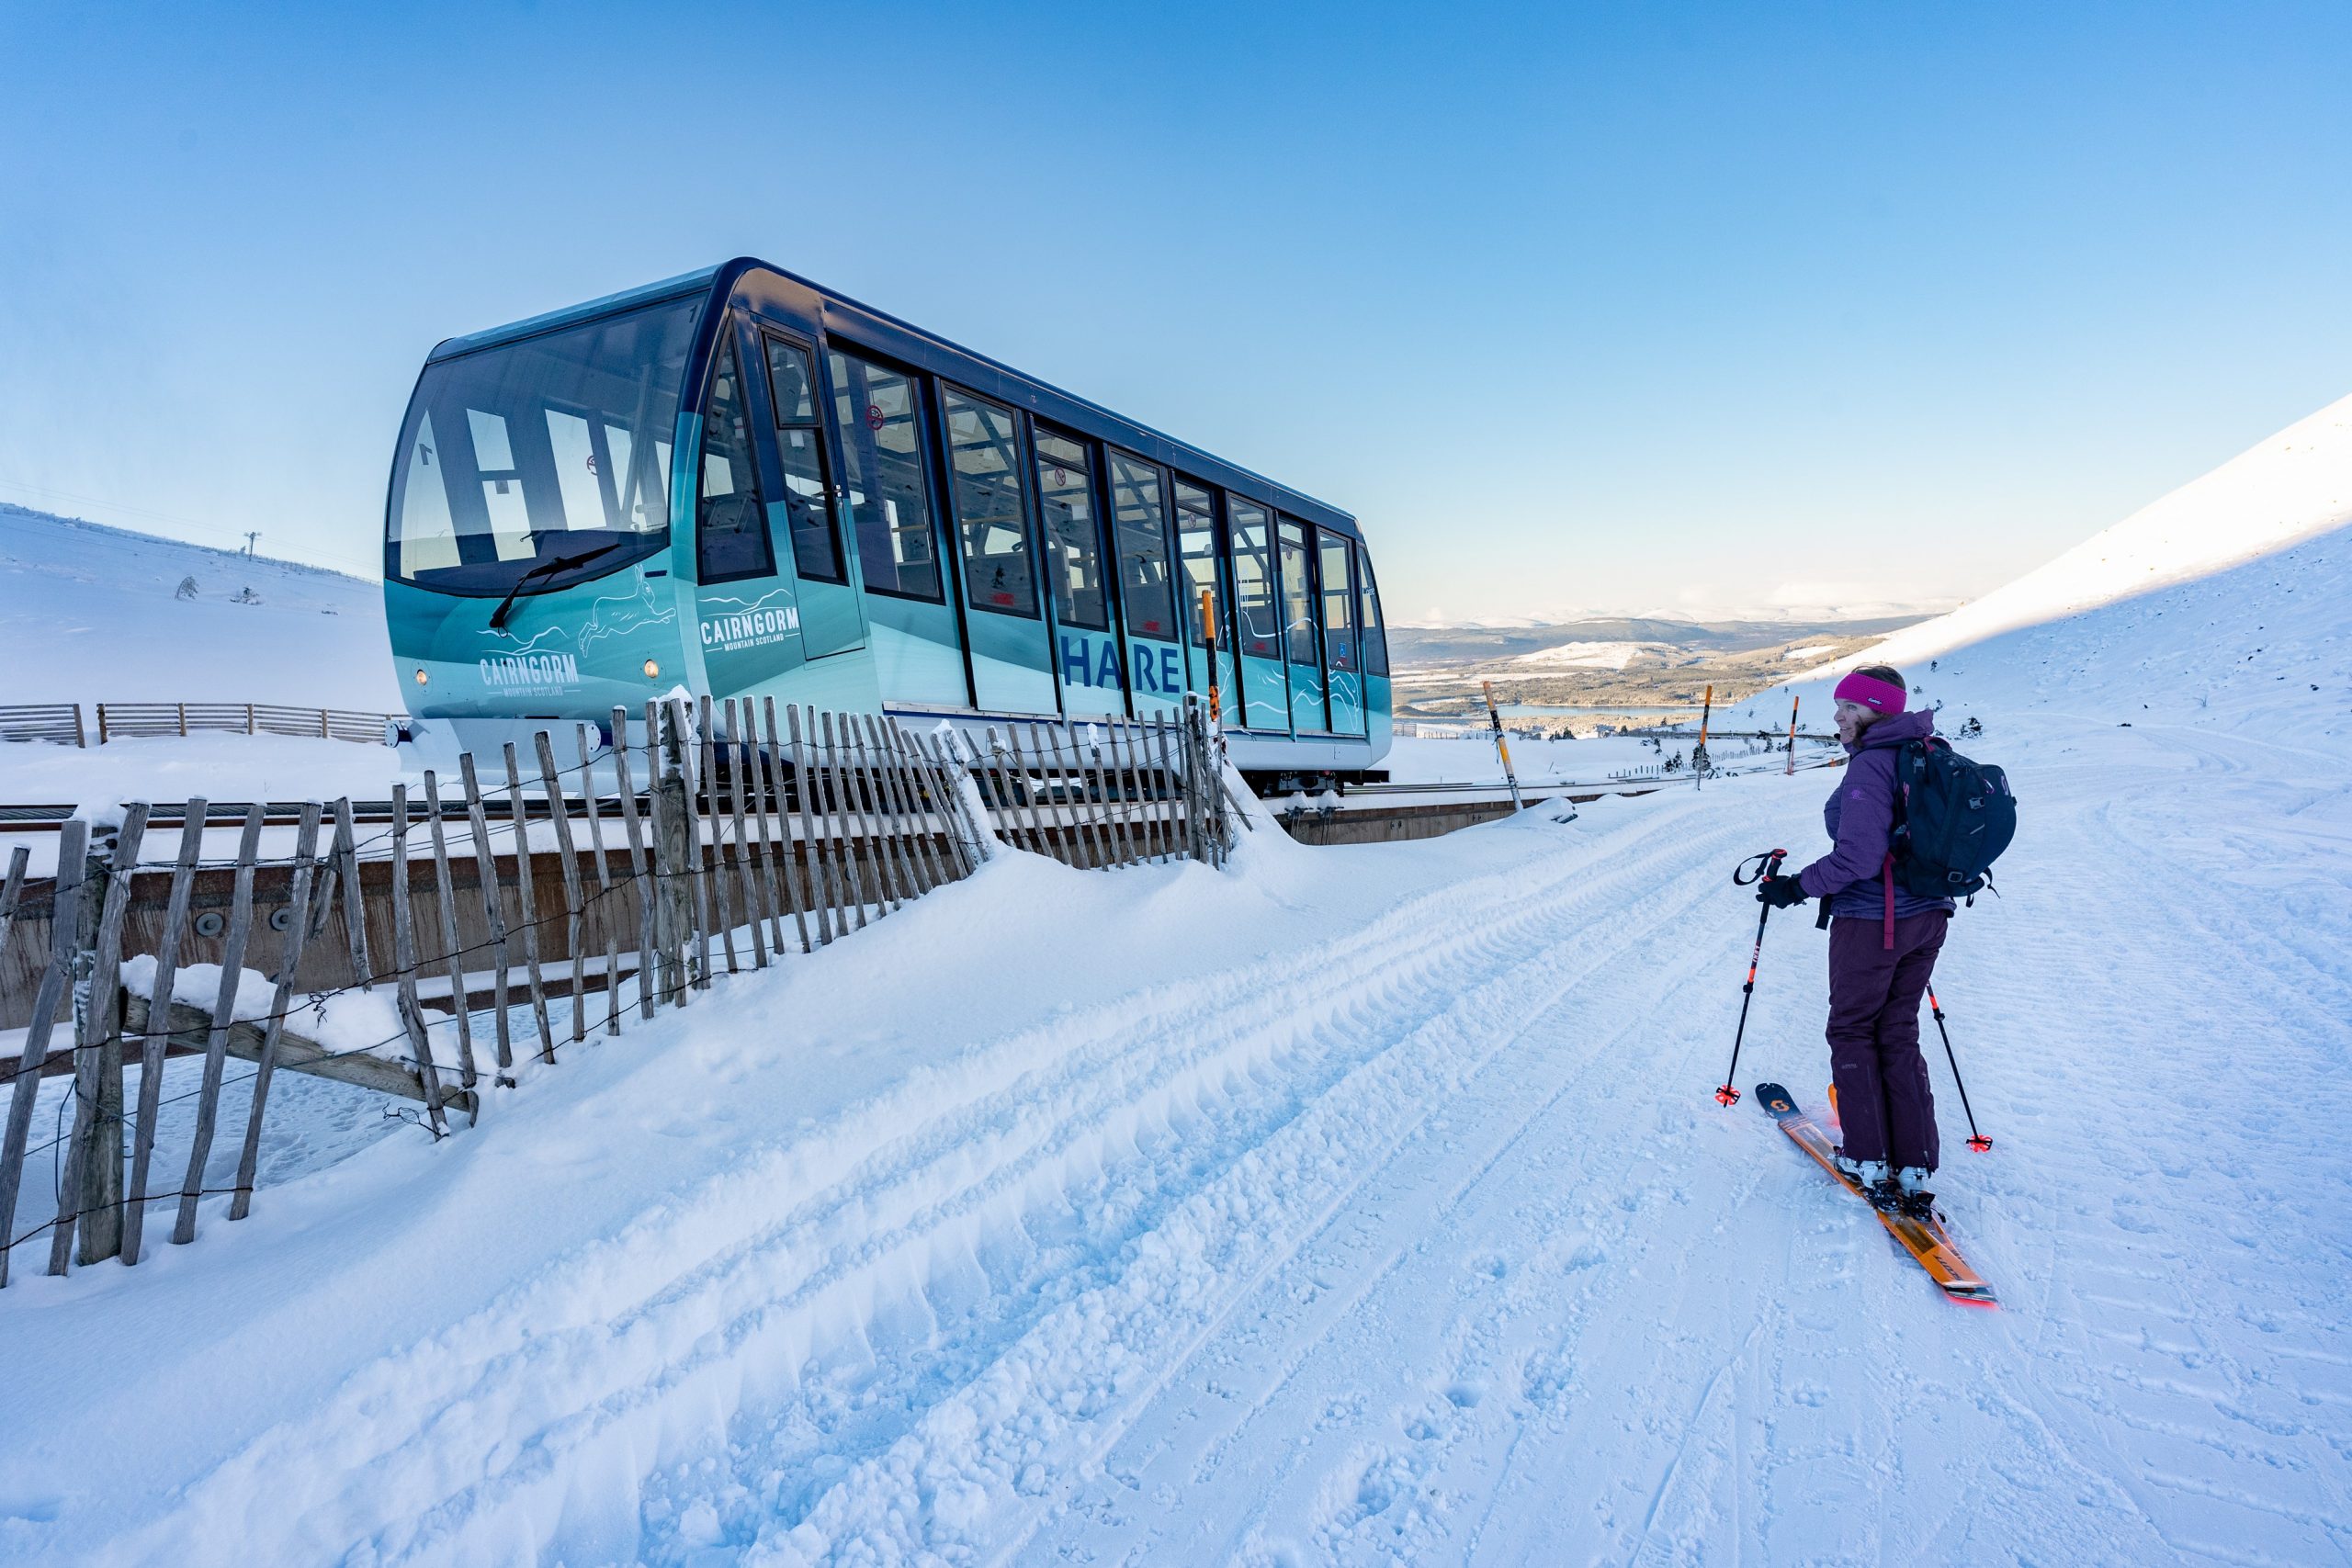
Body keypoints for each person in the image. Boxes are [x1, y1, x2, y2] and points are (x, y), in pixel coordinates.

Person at [1757, 665, 1953, 1209]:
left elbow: (1859, 858)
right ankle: (1913, 1163)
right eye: (1839, 706)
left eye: (1851, 708)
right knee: (1896, 1031)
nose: (1839, 717)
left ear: (1879, 712)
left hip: (1874, 922)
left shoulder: (1872, 764)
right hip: (1928, 916)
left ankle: (1866, 1155)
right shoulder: (1923, 750)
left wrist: (1797, 887)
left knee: (1852, 1028)